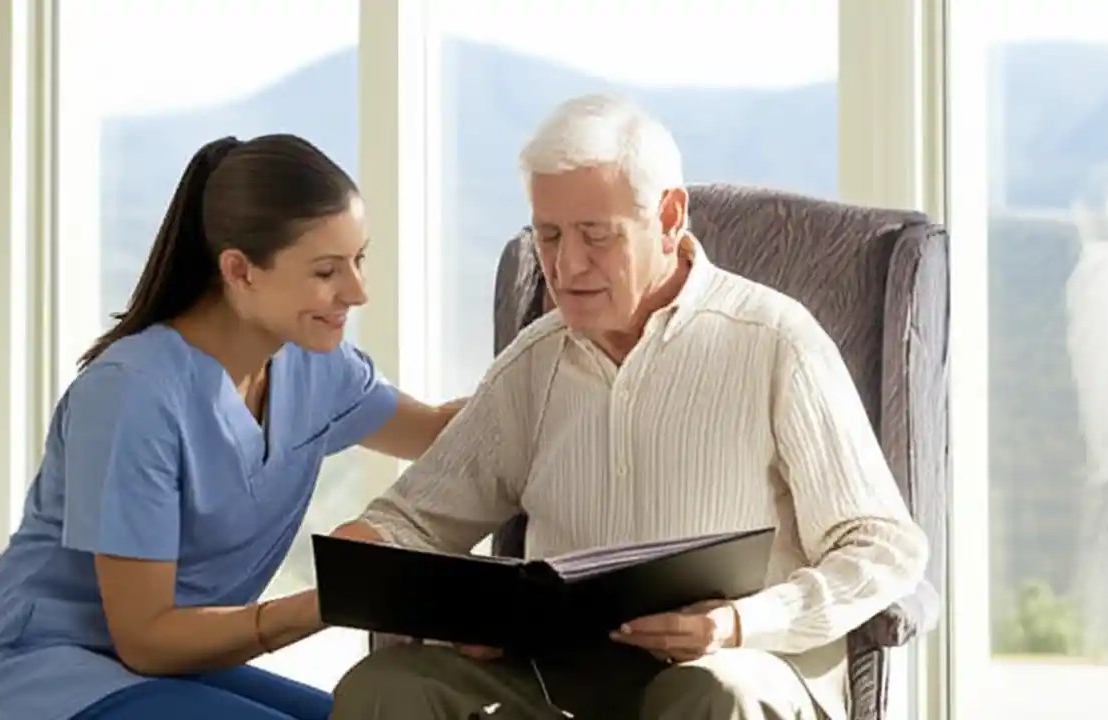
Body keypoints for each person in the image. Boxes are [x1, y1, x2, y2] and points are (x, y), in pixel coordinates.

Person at [328, 95, 930, 719]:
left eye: (596, 236)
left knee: (709, 694)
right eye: (549, 235)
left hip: (743, 665)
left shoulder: (776, 342)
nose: (566, 265)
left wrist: (737, 622)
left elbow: (884, 546)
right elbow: (413, 523)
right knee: (386, 686)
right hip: (557, 677)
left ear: (670, 217)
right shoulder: (533, 363)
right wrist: (446, 608)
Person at [0, 134, 465, 720]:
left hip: (177, 666)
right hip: (53, 673)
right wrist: (336, 600)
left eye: (359, 259)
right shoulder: (134, 395)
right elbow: (144, 639)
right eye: (326, 271)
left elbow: (438, 433)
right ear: (240, 271)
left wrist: (558, 349)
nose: (357, 291)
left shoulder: (314, 364)